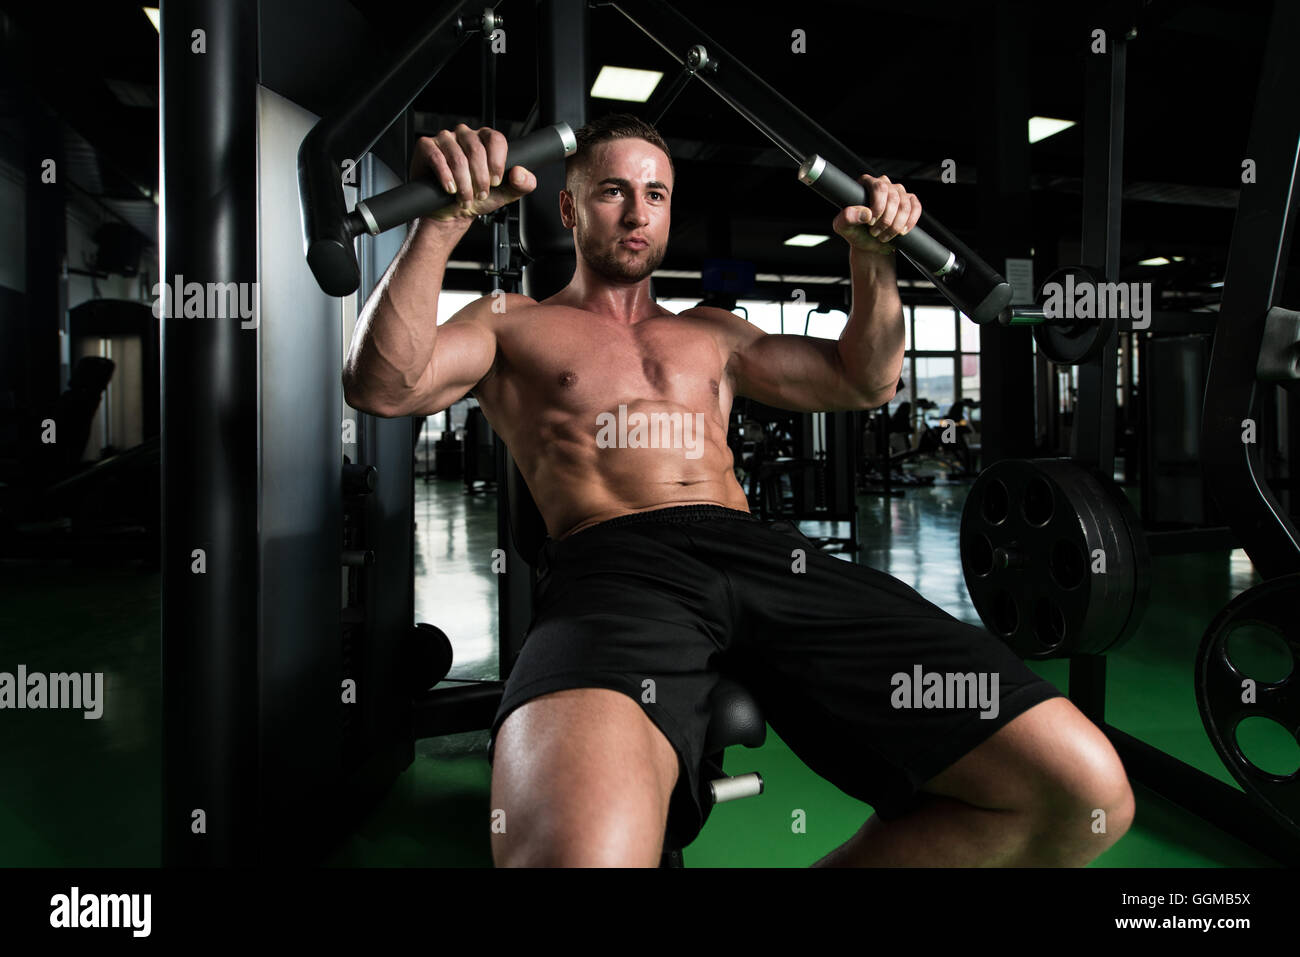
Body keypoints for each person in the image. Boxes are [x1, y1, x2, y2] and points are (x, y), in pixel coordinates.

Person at [344, 113, 1134, 867]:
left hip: (763, 557)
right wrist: (441, 225)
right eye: (614, 190)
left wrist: (875, 256)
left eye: (655, 194)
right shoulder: (508, 322)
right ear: (569, 205)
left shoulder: (714, 334)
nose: (636, 212)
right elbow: (381, 384)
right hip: (616, 569)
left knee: (1079, 792)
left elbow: (864, 378)